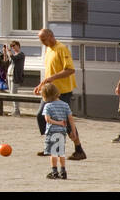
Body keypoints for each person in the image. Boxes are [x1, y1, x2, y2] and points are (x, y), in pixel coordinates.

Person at [33, 29, 87, 160]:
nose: (43, 43)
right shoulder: (48, 50)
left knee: (66, 121)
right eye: (41, 40)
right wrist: (41, 85)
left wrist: (51, 79)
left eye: (44, 39)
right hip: (49, 91)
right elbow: (49, 73)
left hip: (62, 91)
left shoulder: (61, 48)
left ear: (51, 36)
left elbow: (70, 70)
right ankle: (50, 146)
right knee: (41, 115)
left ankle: (79, 150)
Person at [40, 82, 72, 181]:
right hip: (62, 132)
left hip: (52, 131)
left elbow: (48, 120)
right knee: (61, 153)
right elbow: (71, 119)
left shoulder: (48, 106)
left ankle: (54, 172)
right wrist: (73, 131)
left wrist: (58, 123)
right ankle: (63, 171)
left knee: (53, 153)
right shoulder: (65, 105)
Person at [7, 40, 26, 116]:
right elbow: (8, 62)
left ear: (18, 45)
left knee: (14, 94)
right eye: (12, 47)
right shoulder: (14, 54)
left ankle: (17, 111)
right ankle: (15, 110)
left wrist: (9, 52)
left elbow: (14, 59)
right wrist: (6, 53)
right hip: (10, 75)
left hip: (15, 76)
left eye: (14, 46)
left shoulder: (21, 54)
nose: (13, 48)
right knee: (11, 94)